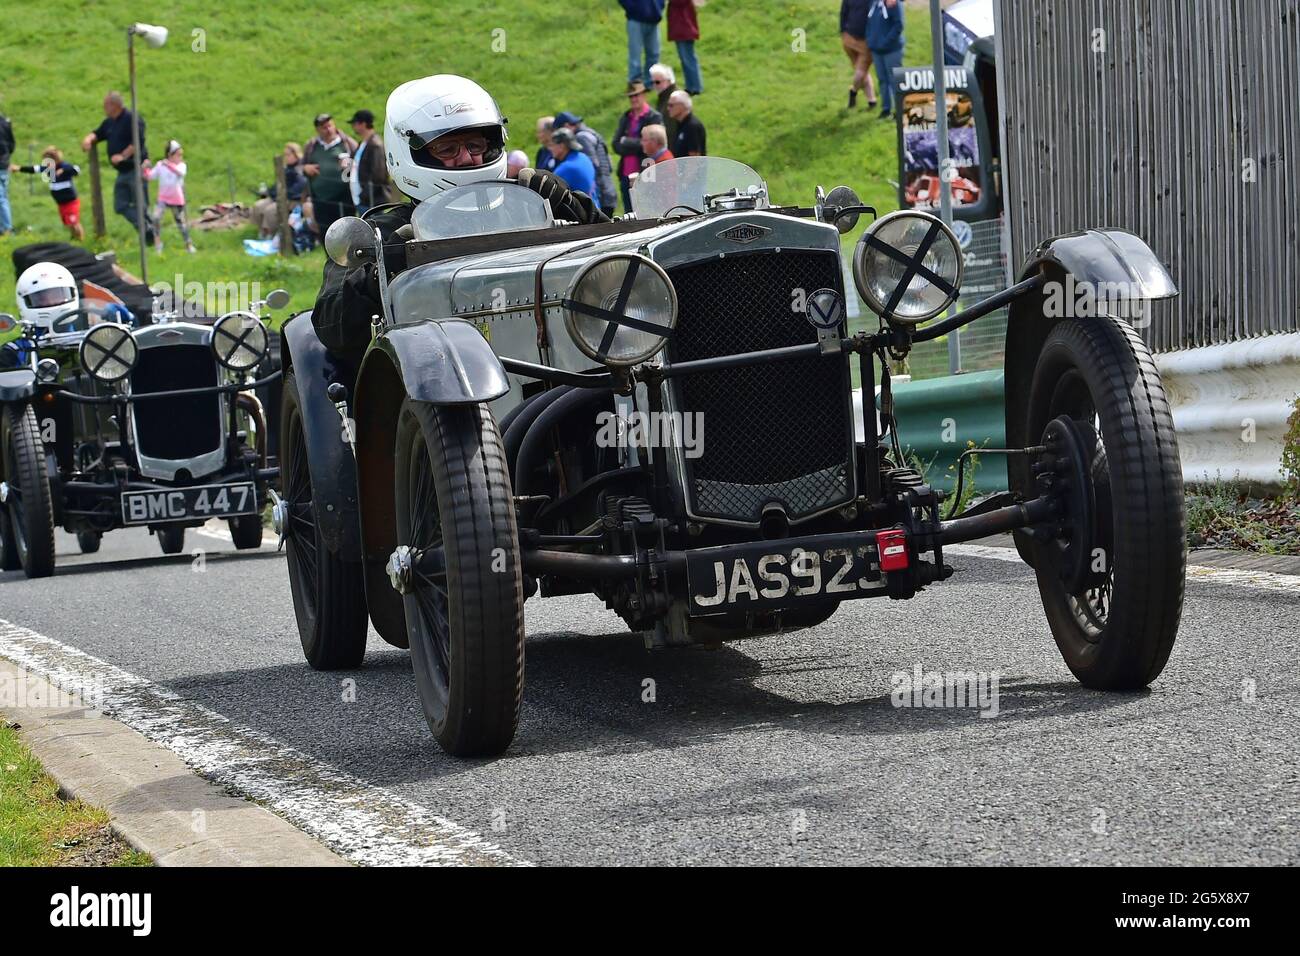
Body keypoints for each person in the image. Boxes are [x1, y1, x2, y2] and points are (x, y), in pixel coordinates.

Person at [311, 74, 609, 355]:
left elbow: (617, 269)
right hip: (437, 373)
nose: (467, 158)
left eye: (476, 145)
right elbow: (331, 327)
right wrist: (382, 268)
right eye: (448, 148)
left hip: (551, 352)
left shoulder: (526, 205)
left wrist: (570, 205)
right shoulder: (383, 231)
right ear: (407, 153)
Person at [81, 91, 154, 244]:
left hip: (136, 168)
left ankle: (151, 238)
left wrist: (123, 156)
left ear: (114, 105)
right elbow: (98, 133)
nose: (103, 108)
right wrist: (89, 139)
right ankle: (145, 228)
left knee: (142, 205)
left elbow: (138, 141)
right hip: (122, 172)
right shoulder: (109, 122)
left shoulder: (132, 119)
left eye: (105, 105)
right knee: (120, 205)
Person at [553, 111, 618, 218]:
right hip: (604, 192)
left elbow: (595, 165)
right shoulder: (590, 133)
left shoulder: (581, 138)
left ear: (567, 126)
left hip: (601, 195)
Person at [301, 113, 357, 237]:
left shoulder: (347, 143)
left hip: (344, 198)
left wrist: (351, 164)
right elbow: (301, 167)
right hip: (320, 199)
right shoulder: (312, 146)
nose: (328, 130)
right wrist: (306, 168)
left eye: (330, 126)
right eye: (324, 127)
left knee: (346, 233)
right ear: (317, 130)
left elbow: (361, 164)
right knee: (325, 233)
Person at [10, 146, 83, 240]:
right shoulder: (50, 169)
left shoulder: (64, 166)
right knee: (68, 223)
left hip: (70, 202)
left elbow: (76, 169)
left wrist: (64, 170)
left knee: (74, 222)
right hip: (61, 203)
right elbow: (35, 169)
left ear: (55, 159)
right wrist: (19, 168)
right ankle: (74, 238)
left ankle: (80, 239)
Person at [612, 81, 663, 214]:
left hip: (645, 170)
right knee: (629, 213)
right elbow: (616, 144)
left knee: (646, 210)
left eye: (636, 95)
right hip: (625, 173)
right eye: (631, 96)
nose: (634, 99)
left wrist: (627, 142)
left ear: (644, 95)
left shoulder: (653, 117)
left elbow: (652, 144)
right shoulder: (626, 116)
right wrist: (638, 143)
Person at [143, 140, 194, 254]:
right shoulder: (161, 165)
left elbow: (180, 173)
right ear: (170, 155)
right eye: (178, 155)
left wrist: (168, 164)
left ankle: (188, 244)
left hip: (176, 199)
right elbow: (151, 176)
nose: (180, 157)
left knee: (181, 223)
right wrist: (145, 168)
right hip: (163, 199)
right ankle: (158, 244)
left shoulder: (181, 165)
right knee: (156, 218)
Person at [252, 142, 307, 238]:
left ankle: (270, 233)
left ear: (296, 154)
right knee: (258, 205)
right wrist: (269, 192)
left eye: (288, 155)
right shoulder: (286, 169)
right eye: (285, 155)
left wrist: (279, 194)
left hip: (292, 200)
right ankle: (261, 231)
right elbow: (277, 185)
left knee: (270, 210)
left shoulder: (300, 169)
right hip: (278, 196)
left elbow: (297, 189)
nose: (286, 157)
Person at [348, 109, 396, 217]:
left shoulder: (375, 145)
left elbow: (378, 176)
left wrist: (364, 196)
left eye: (354, 124)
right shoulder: (363, 143)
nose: (353, 127)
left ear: (362, 124)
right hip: (363, 201)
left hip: (371, 202)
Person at [866, 0, 905, 119]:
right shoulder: (874, 3)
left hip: (892, 50)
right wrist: (871, 40)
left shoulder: (895, 3)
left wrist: (885, 42)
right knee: (882, 80)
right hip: (877, 50)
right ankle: (886, 109)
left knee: (895, 81)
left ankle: (899, 110)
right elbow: (869, 23)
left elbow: (899, 25)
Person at [14, 262, 78, 333]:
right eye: (42, 299)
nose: (51, 301)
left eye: (56, 295)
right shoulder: (22, 344)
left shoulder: (86, 337)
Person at [840, 0, 877, 110]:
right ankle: (872, 100)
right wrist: (843, 31)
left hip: (867, 41)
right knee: (862, 71)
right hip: (850, 38)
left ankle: (853, 91)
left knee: (860, 73)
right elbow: (843, 12)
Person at [621, 0, 665, 87]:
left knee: (654, 53)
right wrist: (632, 8)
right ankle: (635, 84)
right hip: (635, 19)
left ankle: (650, 82)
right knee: (635, 55)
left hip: (653, 18)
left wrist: (659, 6)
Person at [667, 0, 705, 95]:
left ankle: (695, 87)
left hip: (683, 30)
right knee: (686, 59)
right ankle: (690, 86)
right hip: (684, 30)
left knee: (688, 59)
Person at [548, 128, 597, 197]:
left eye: (552, 145)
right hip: (594, 204)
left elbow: (548, 192)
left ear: (561, 146)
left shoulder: (567, 168)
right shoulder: (583, 157)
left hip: (583, 207)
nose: (550, 149)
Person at [665, 91, 706, 157]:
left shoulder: (692, 127)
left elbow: (694, 158)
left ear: (682, 106)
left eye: (671, 105)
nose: (668, 108)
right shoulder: (679, 124)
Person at [649, 64, 679, 145]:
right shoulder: (663, 97)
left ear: (668, 81)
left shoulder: (673, 99)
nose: (655, 86)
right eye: (652, 83)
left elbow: (671, 127)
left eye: (658, 82)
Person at [0, 104, 13, 236]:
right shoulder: (5, 122)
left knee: (1, 198)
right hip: (4, 164)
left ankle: (6, 229)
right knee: (3, 196)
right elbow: (11, 145)